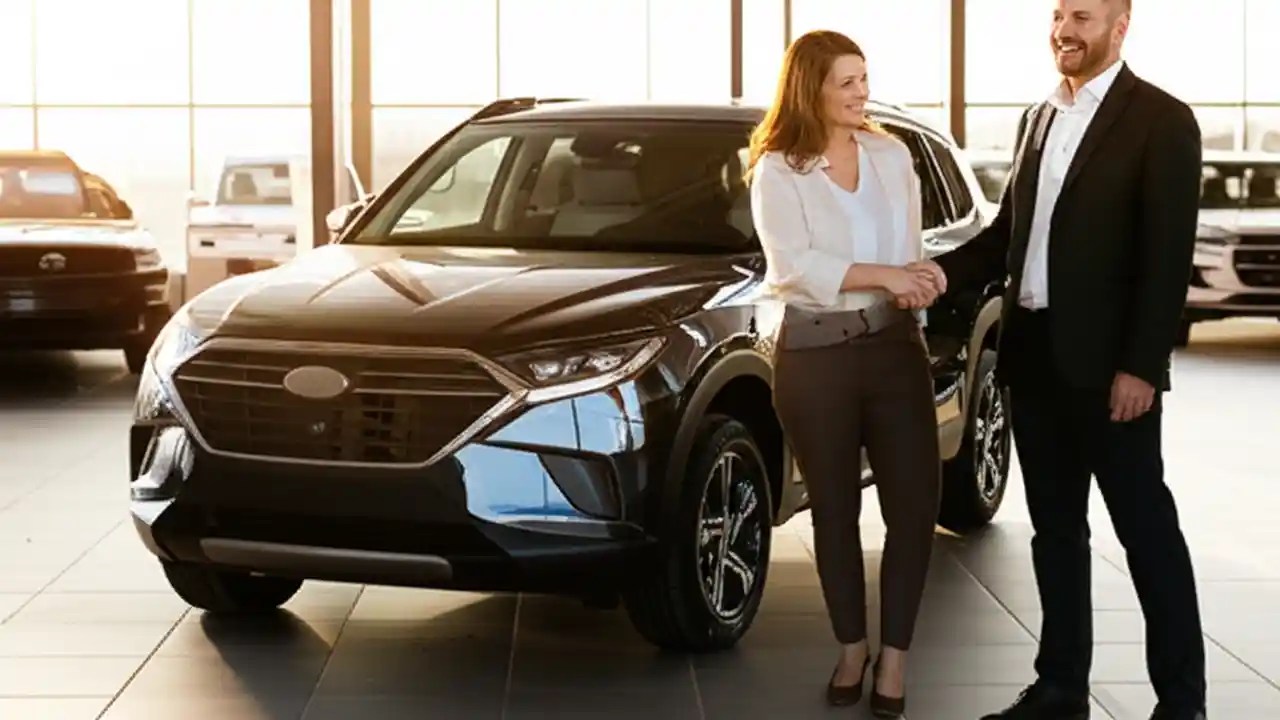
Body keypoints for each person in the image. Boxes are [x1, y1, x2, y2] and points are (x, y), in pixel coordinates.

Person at [918, 1, 1207, 718]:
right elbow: (1006, 236)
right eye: (1057, 14)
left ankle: (1183, 703)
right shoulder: (1038, 117)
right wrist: (932, 274)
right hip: (1033, 359)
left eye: (1082, 15)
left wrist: (1142, 367)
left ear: (1119, 26)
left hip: (1113, 373)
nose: (1064, 30)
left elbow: (1167, 258)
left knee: (1146, 534)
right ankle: (1061, 688)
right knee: (1055, 533)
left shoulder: (1163, 120)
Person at [746, 29, 949, 718]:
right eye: (848, 82)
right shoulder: (779, 170)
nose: (864, 93)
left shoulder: (892, 155)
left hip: (895, 350)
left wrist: (920, 279)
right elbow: (793, 267)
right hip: (816, 358)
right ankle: (852, 648)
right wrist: (886, 275)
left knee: (914, 509)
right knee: (835, 511)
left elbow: (909, 249)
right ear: (812, 89)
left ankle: (895, 660)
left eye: (865, 78)